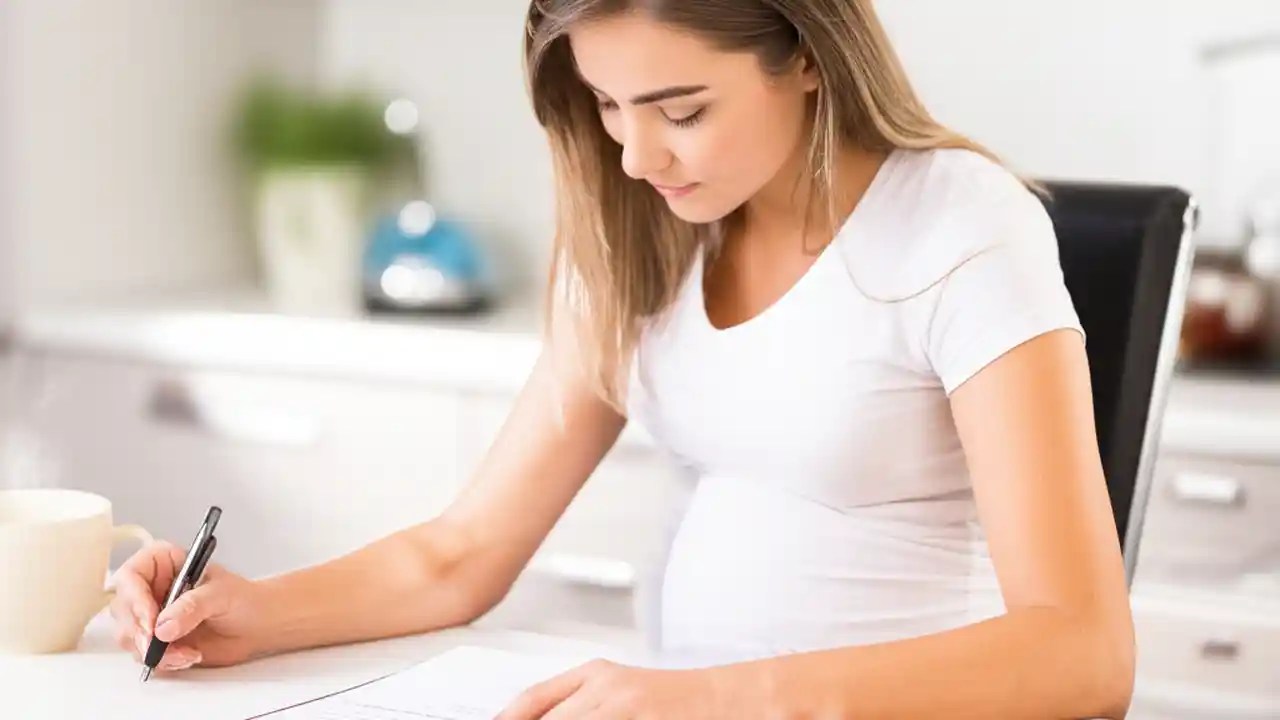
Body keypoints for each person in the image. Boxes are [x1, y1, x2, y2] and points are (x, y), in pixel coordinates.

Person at [108, 1, 1136, 717]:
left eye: (681, 110)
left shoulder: (954, 224)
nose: (637, 156)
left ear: (808, 52)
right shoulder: (640, 233)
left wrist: (728, 701)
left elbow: (1082, 653)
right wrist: (248, 613)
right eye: (606, 105)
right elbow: (459, 555)